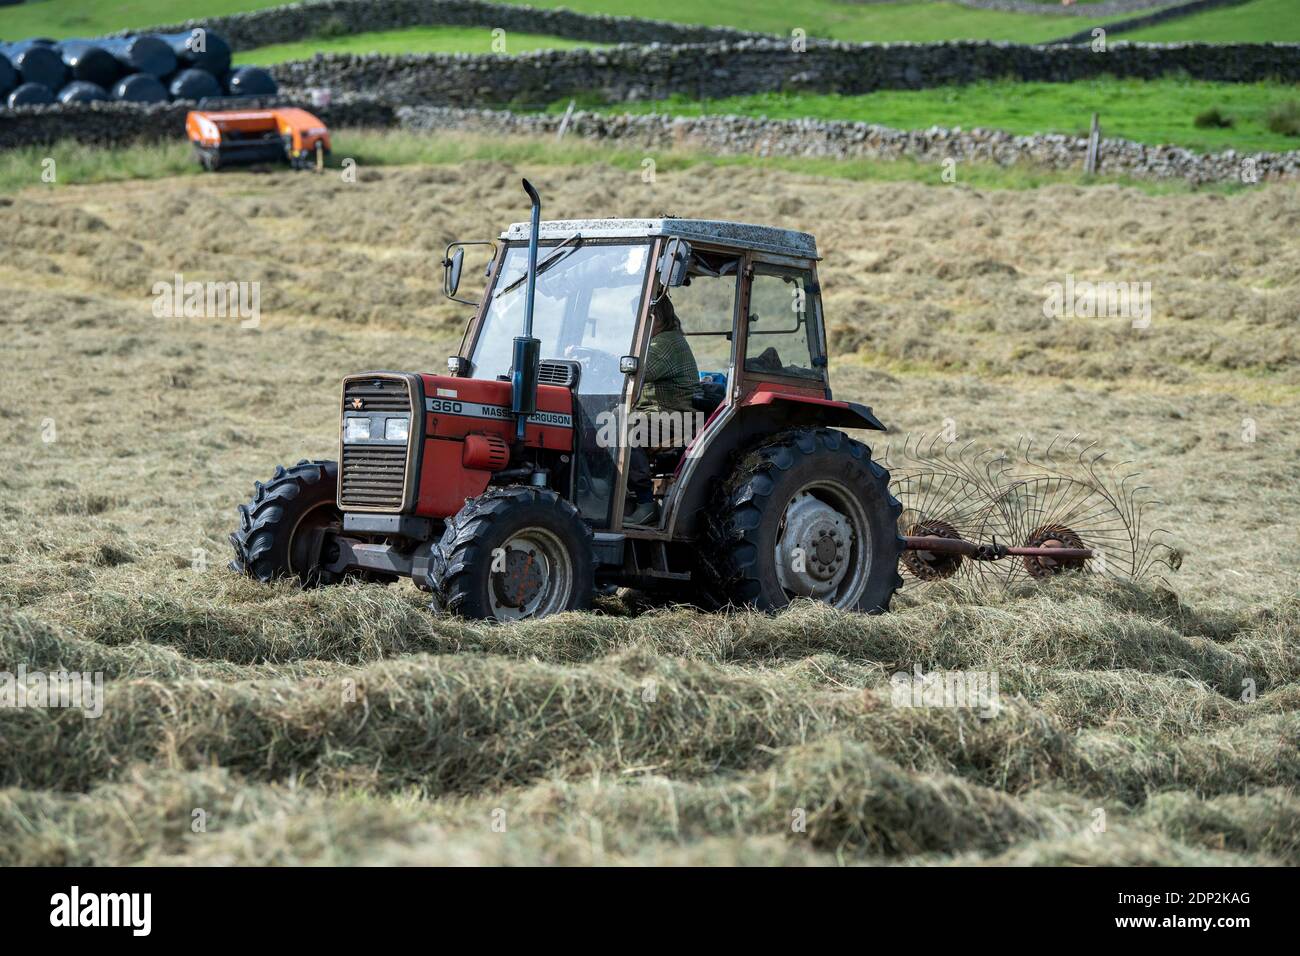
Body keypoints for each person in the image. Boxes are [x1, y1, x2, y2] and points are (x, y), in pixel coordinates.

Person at [626, 295, 698, 526]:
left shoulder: (666, 343)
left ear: (657, 318)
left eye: (642, 318)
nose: (638, 324)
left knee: (618, 427)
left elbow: (638, 371)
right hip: (654, 414)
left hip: (673, 418)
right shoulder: (656, 342)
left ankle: (645, 503)